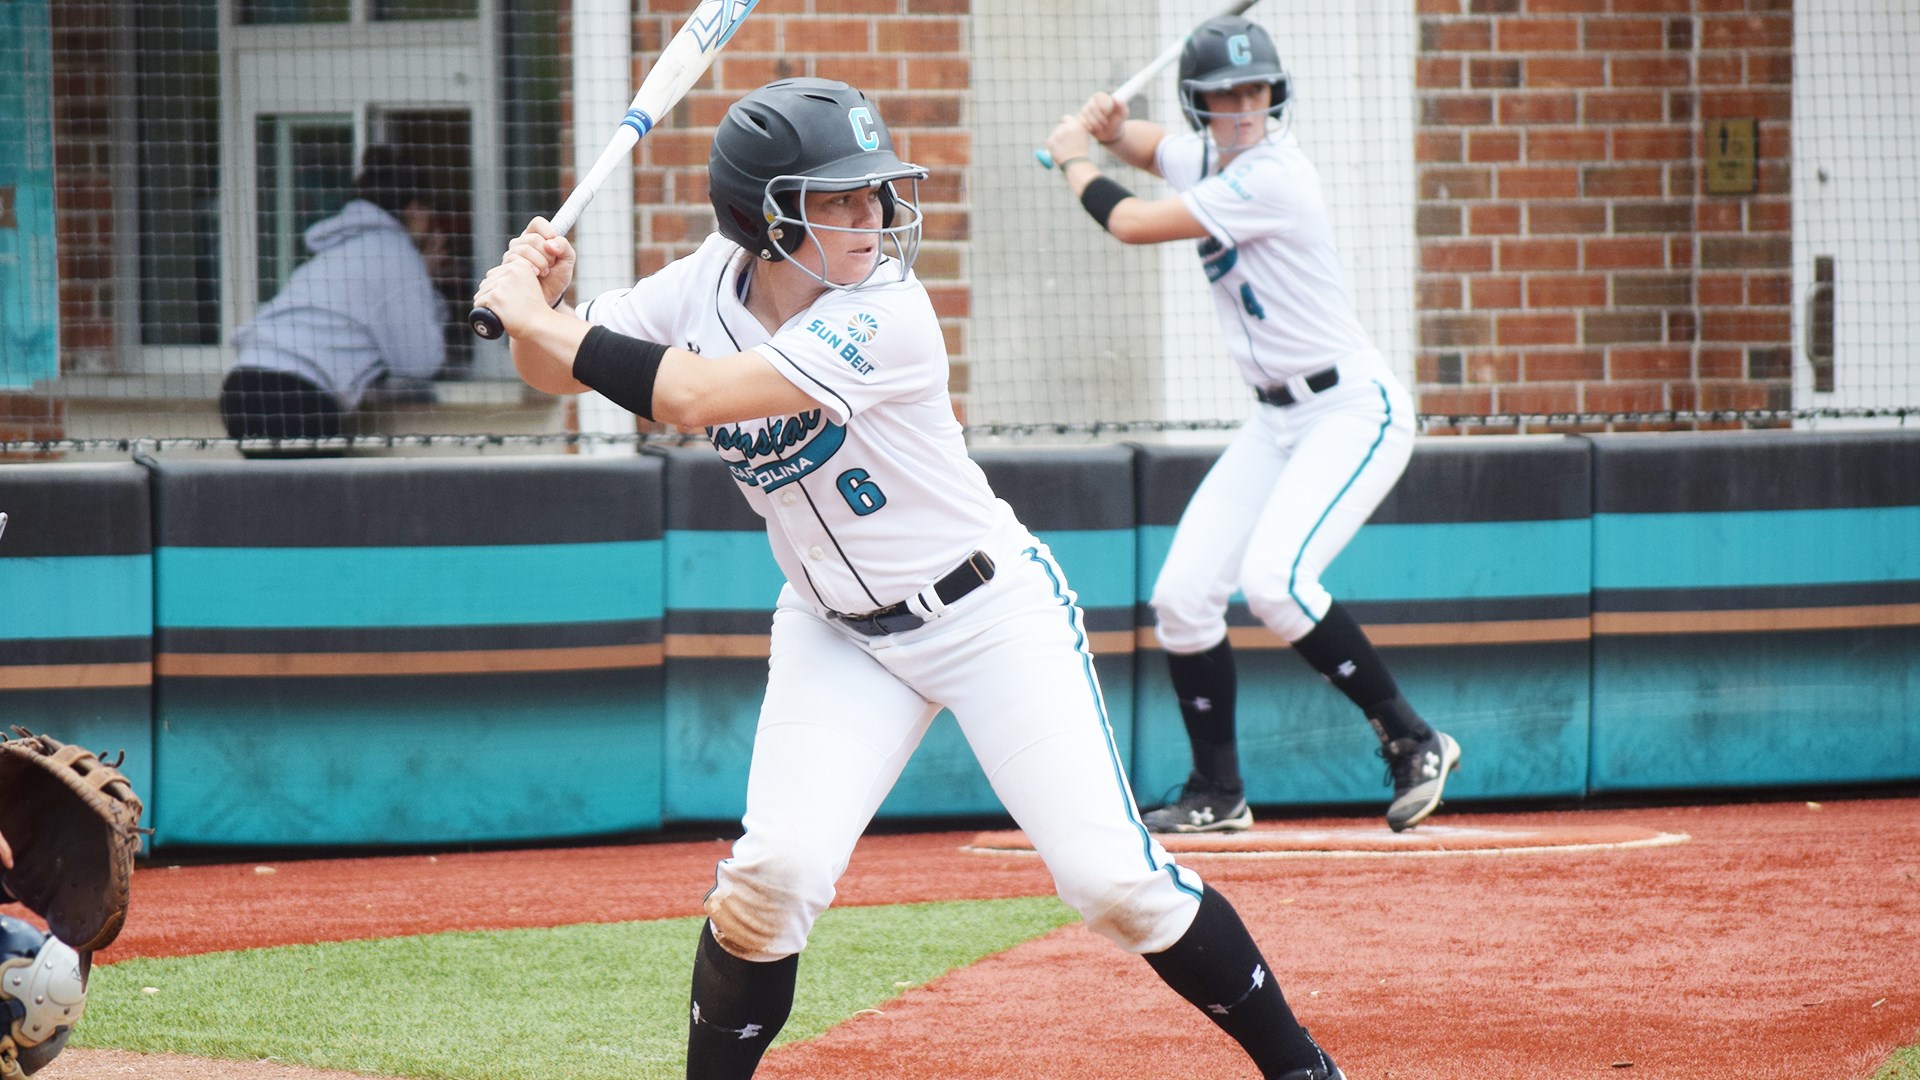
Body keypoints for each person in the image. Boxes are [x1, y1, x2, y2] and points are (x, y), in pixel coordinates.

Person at [474, 77, 1345, 1080]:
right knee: (770, 880)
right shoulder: (701, 286)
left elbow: (688, 394)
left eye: (876, 193)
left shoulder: (886, 310)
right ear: (762, 219)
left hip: (987, 613)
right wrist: (540, 310)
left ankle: (1305, 1070)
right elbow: (558, 375)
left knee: (1114, 884)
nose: (869, 218)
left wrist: (543, 316)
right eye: (835, 200)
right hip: (835, 629)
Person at [1043, 14, 1461, 835]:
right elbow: (1151, 146)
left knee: (1276, 582)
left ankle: (1415, 740)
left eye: (1256, 91)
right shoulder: (1210, 153)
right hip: (1276, 422)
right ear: (1200, 105)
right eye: (1223, 95)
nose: (1242, 107)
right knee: (1183, 597)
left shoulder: (1273, 175)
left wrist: (1073, 159)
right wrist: (1111, 127)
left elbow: (1129, 222)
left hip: (1351, 409)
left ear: (1276, 95)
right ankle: (1218, 791)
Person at [221, 144, 450, 452]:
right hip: (295, 395)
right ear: (415, 209)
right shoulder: (396, 253)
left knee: (275, 497)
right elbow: (421, 361)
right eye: (430, 211)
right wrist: (425, 278)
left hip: (242, 385)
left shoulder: (343, 245)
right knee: (320, 498)